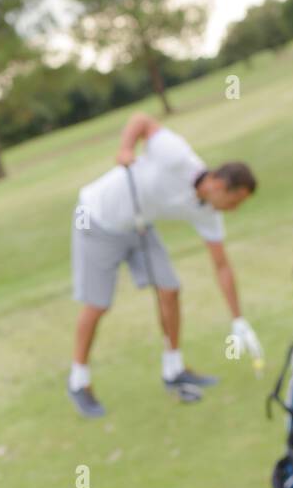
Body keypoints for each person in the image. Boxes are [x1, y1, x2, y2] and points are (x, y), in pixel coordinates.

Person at [67, 112, 262, 415]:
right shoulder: (178, 156)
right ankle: (79, 380)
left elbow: (221, 265)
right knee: (98, 304)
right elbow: (141, 120)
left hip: (139, 225)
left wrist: (238, 320)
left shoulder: (208, 212)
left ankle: (173, 369)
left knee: (169, 290)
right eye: (234, 202)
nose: (233, 210)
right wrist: (126, 149)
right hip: (97, 220)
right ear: (219, 185)